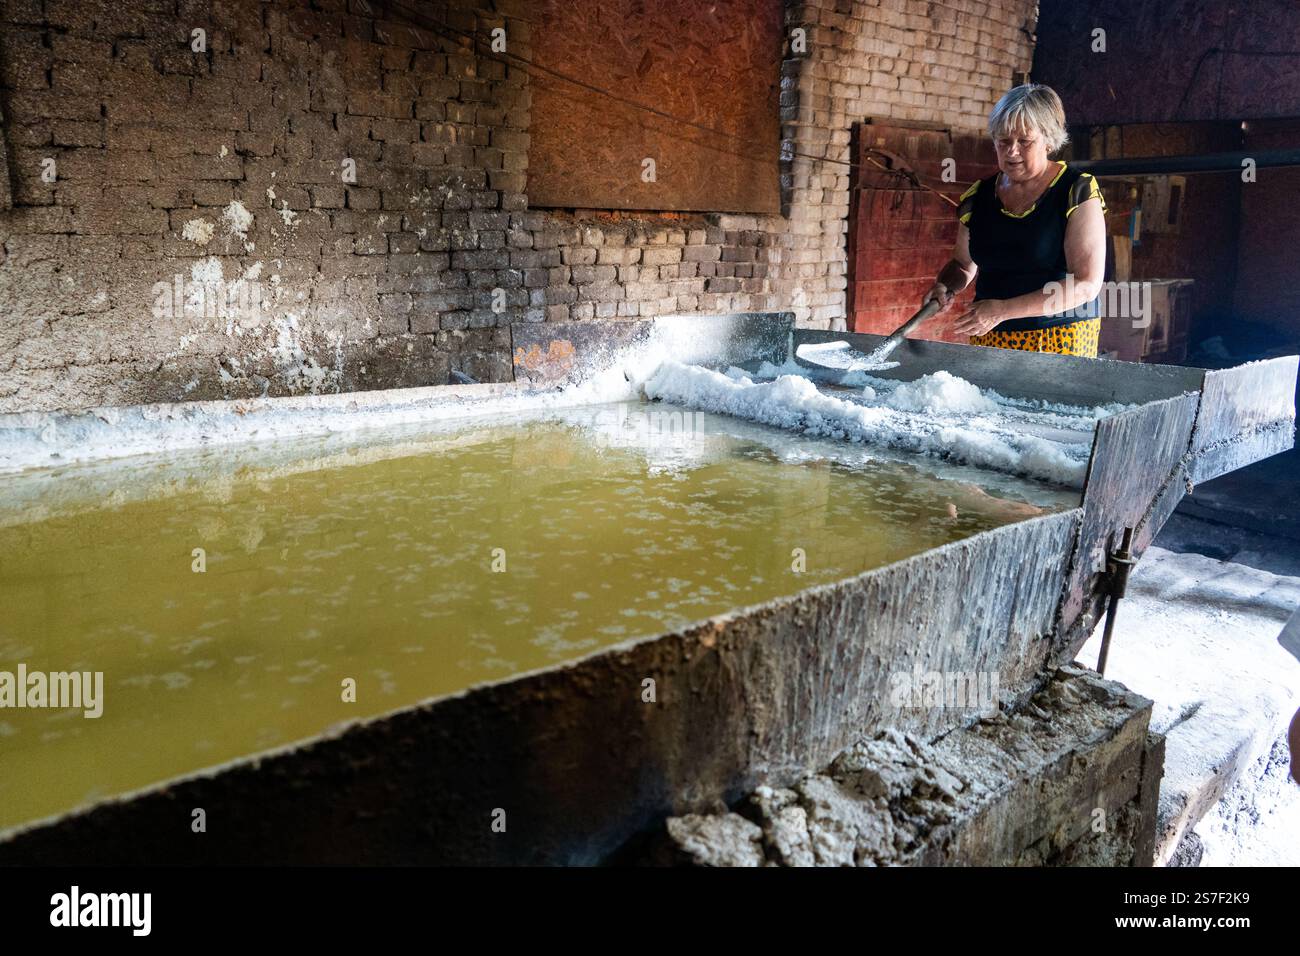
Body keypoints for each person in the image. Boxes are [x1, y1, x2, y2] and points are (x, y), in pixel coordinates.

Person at [921, 83, 1108, 357]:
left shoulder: (1076, 191)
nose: (1012, 151)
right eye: (1003, 141)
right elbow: (962, 264)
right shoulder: (979, 195)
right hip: (990, 331)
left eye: (1024, 141)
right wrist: (945, 286)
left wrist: (1002, 310)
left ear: (1048, 139)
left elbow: (1085, 285)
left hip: (1060, 336)